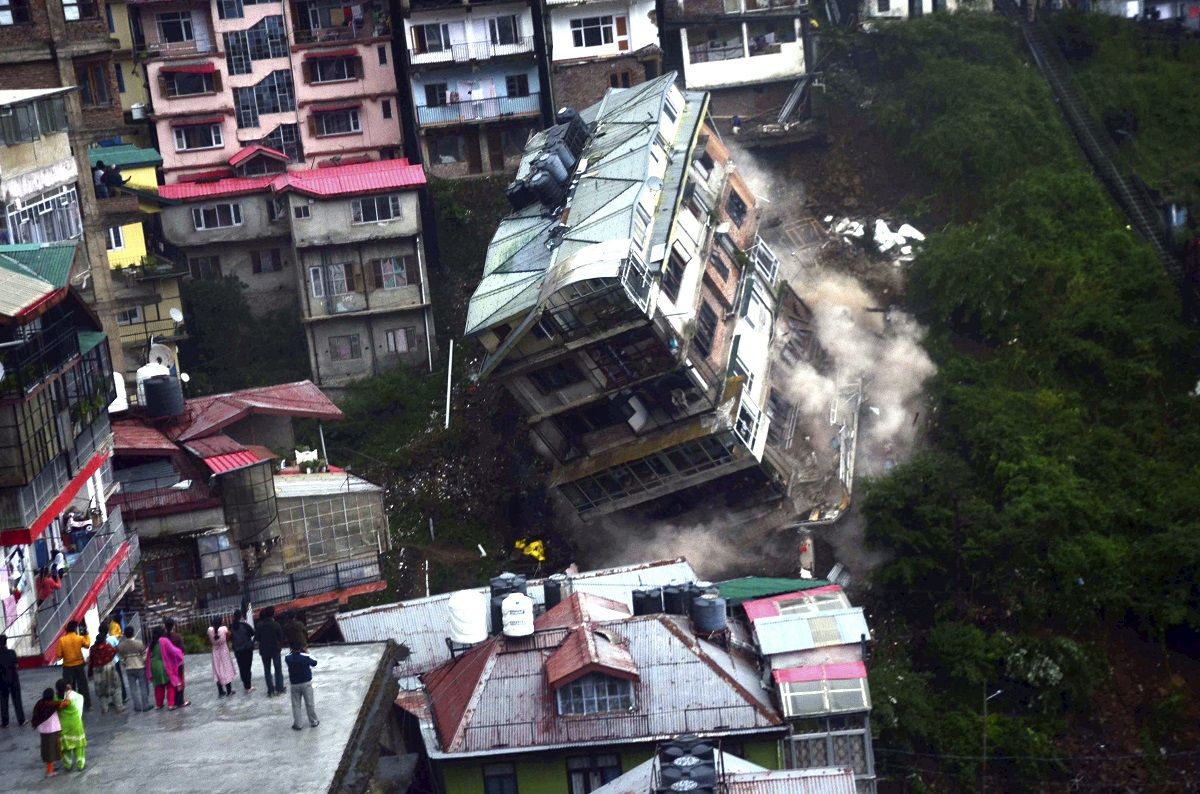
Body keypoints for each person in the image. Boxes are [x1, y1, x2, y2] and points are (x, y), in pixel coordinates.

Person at [145, 626, 184, 710]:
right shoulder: (164, 640)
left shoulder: (152, 643)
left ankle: (159, 704)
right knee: (170, 684)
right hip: (164, 665)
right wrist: (180, 653)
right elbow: (173, 650)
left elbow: (148, 655)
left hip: (154, 667)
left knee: (158, 686)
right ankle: (171, 704)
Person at [31, 687, 66, 777]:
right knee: (52, 750)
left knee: (46, 749)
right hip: (52, 730)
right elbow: (64, 704)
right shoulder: (52, 705)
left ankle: (50, 768)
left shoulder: (40, 703)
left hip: (43, 731)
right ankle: (50, 771)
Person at [56, 621, 91, 712]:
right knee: (83, 685)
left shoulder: (62, 640)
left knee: (69, 686)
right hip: (79, 665)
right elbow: (87, 645)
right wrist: (86, 634)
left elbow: (59, 655)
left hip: (67, 667)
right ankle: (88, 704)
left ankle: (70, 704)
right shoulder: (79, 638)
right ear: (75, 629)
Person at [284, 645, 319, 731]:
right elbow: (315, 662)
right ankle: (313, 721)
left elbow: (287, 655)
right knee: (309, 703)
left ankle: (298, 724)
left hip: (294, 684)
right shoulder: (305, 657)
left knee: (296, 705)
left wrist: (291, 651)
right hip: (306, 683)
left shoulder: (288, 658)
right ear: (300, 649)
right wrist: (307, 652)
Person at [87, 631, 123, 714]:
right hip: (109, 668)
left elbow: (91, 661)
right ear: (104, 640)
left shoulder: (93, 649)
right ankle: (119, 707)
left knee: (101, 691)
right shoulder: (108, 647)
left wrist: (89, 673)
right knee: (116, 687)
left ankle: (104, 708)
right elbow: (114, 652)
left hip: (97, 670)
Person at [54, 678, 86, 771]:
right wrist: (68, 692)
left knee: (66, 747)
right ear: (67, 687)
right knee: (79, 746)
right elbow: (78, 700)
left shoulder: (55, 698)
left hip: (63, 726)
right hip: (75, 724)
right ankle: (80, 764)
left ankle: (68, 765)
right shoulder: (74, 696)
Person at [117, 628, 149, 712]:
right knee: (143, 686)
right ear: (133, 633)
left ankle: (137, 706)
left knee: (133, 688)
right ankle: (145, 705)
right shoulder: (139, 643)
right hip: (140, 667)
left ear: (125, 635)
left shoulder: (121, 646)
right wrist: (142, 661)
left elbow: (121, 658)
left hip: (129, 668)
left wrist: (125, 664)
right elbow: (144, 655)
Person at [256, 607, 286, 697]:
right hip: (275, 649)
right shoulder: (276, 624)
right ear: (273, 614)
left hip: (264, 650)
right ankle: (279, 688)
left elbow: (257, 638)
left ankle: (270, 690)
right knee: (278, 669)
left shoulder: (260, 625)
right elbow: (281, 637)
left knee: (267, 670)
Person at [207, 616, 236, 697]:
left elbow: (209, 639)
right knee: (226, 669)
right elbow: (229, 635)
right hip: (223, 650)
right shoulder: (223, 629)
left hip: (215, 651)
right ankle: (229, 691)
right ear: (220, 622)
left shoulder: (209, 630)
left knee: (217, 670)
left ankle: (220, 691)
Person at [0, 633, 24, 727]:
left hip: (2, 680)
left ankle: (5, 722)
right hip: (13, 679)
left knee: (3, 701)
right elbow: (16, 665)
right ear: (6, 642)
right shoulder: (12, 652)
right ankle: (21, 720)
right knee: (17, 700)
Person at [164, 618, 188, 707]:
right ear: (173, 626)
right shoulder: (177, 637)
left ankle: (172, 700)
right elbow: (182, 650)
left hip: (167, 663)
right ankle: (180, 701)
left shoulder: (163, 638)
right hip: (178, 662)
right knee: (180, 680)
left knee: (171, 681)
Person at [229, 611, 256, 694]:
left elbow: (230, 637)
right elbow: (252, 633)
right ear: (241, 616)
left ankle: (245, 684)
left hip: (237, 650)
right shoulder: (244, 625)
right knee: (248, 667)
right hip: (247, 648)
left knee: (241, 667)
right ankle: (248, 686)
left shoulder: (231, 626)